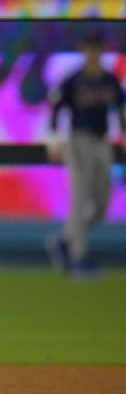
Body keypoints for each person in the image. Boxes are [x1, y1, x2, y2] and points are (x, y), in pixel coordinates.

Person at [45, 30, 125, 278]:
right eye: (89, 47)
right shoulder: (73, 81)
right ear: (83, 50)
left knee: (102, 204)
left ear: (102, 50)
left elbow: (120, 109)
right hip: (78, 140)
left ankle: (65, 239)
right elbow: (56, 110)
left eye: (97, 47)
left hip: (102, 141)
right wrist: (54, 141)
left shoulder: (110, 81)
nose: (93, 52)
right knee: (79, 199)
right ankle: (77, 258)